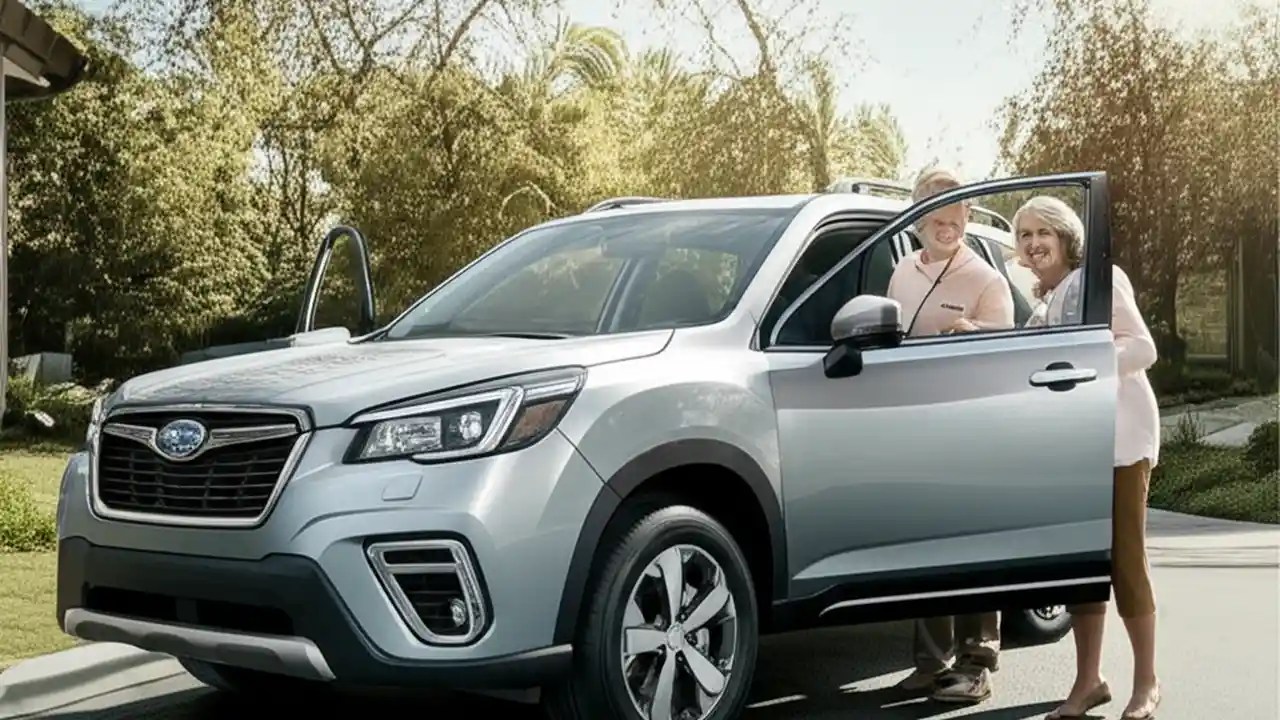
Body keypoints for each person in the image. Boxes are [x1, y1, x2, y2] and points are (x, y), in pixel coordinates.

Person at [1010, 196, 1162, 720]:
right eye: (1024, 234)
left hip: (1121, 438)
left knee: (1125, 561)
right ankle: (1088, 682)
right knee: (1083, 566)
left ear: (1066, 236)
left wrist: (1083, 366)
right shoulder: (1047, 300)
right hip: (1076, 446)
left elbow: (1142, 348)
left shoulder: (1101, 278)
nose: (1033, 242)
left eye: (1042, 232)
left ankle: (1147, 683)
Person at [887, 167, 1014, 704]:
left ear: (967, 213)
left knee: (975, 546)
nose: (947, 220)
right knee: (926, 547)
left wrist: (974, 335)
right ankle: (930, 663)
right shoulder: (900, 272)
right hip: (917, 427)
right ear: (918, 216)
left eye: (957, 209)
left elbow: (1009, 357)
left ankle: (976, 661)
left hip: (975, 429)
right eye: (936, 210)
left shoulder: (986, 280)